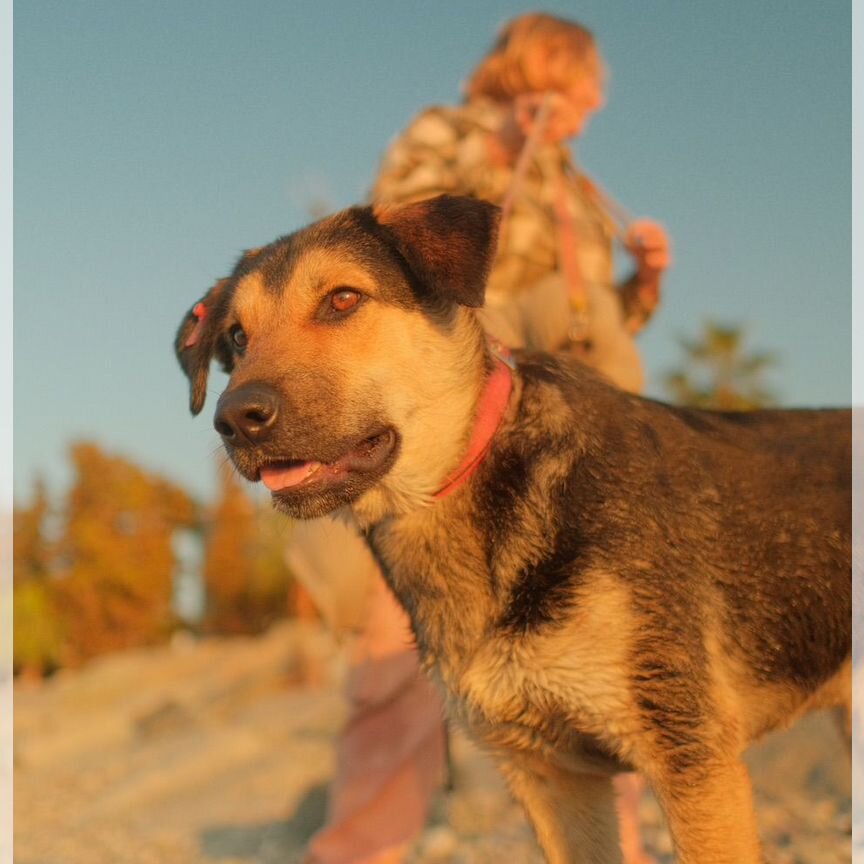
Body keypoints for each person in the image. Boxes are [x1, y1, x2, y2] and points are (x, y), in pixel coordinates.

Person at [300, 13, 670, 864]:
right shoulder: (450, 131)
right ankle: (359, 846)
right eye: (580, 91)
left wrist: (642, 280)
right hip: (459, 403)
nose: (587, 111)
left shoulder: (575, 183)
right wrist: (498, 151)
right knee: (403, 621)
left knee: (600, 633)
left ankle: (609, 849)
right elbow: (383, 237)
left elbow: (597, 322)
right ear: (541, 68)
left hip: (563, 426)